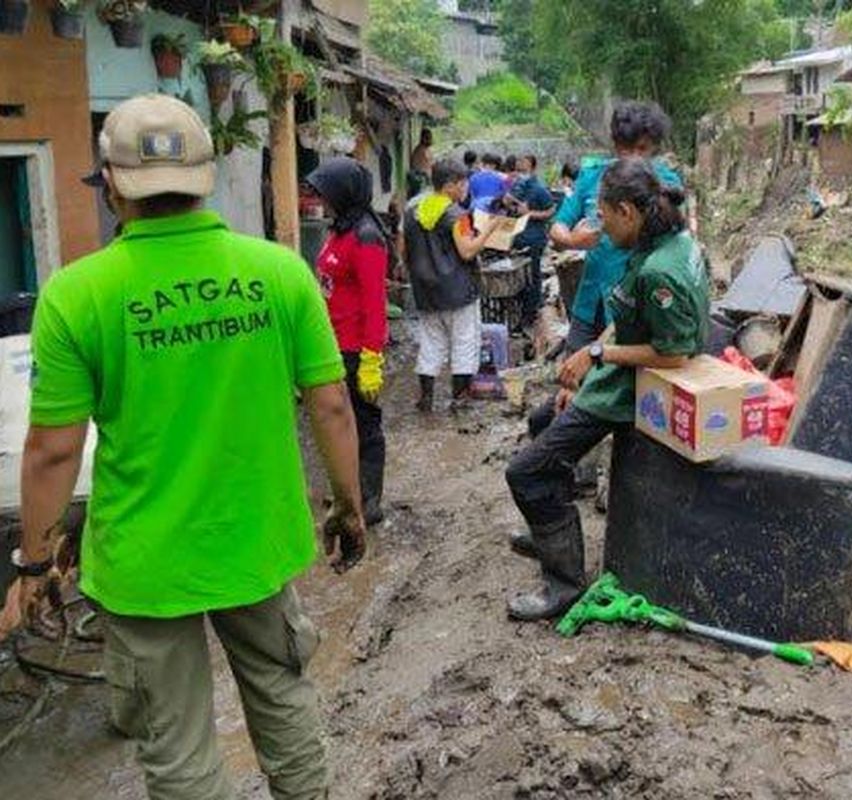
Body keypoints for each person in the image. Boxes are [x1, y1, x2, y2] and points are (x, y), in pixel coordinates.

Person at [16, 94, 365, 799]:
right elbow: (330, 404)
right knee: (282, 695)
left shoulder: (76, 294)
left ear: (111, 184)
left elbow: (54, 452)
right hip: (257, 539)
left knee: (175, 746)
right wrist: (347, 507)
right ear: (205, 175)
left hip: (144, 563)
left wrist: (33, 562)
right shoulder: (279, 272)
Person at [505, 158, 709, 620]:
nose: (598, 226)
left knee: (525, 472)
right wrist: (588, 360)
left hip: (637, 386)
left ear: (628, 212)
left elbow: (673, 352)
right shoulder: (669, 242)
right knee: (543, 420)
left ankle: (564, 584)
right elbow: (629, 316)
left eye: (603, 216)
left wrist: (599, 359)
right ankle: (550, 529)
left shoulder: (661, 270)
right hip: (620, 369)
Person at [550, 101, 683, 355]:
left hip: (639, 304)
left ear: (654, 147)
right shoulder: (592, 177)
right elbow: (557, 227)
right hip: (592, 298)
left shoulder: (666, 183)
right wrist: (572, 240)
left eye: (642, 149)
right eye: (625, 149)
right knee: (574, 367)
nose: (632, 157)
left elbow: (675, 244)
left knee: (624, 378)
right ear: (615, 143)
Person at [305, 157, 391, 526]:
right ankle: (348, 490)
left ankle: (368, 501)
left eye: (325, 191)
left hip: (357, 348)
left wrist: (372, 359)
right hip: (334, 344)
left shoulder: (367, 237)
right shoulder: (340, 229)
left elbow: (375, 303)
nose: (320, 199)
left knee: (365, 426)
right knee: (340, 422)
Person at [400, 158, 503, 412]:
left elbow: (403, 250)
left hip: (426, 291)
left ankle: (426, 398)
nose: (466, 188)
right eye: (463, 183)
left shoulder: (413, 211)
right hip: (458, 291)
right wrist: (489, 230)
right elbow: (467, 251)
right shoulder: (457, 214)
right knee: (465, 342)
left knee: (431, 343)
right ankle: (459, 399)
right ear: (450, 186)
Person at [508, 153, 557, 330]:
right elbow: (513, 207)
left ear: (533, 168)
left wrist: (530, 214)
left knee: (532, 276)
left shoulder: (540, 189)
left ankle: (532, 312)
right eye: (519, 168)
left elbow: (552, 210)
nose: (521, 172)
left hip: (534, 238)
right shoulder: (517, 186)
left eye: (525, 169)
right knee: (520, 279)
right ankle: (522, 311)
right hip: (518, 238)